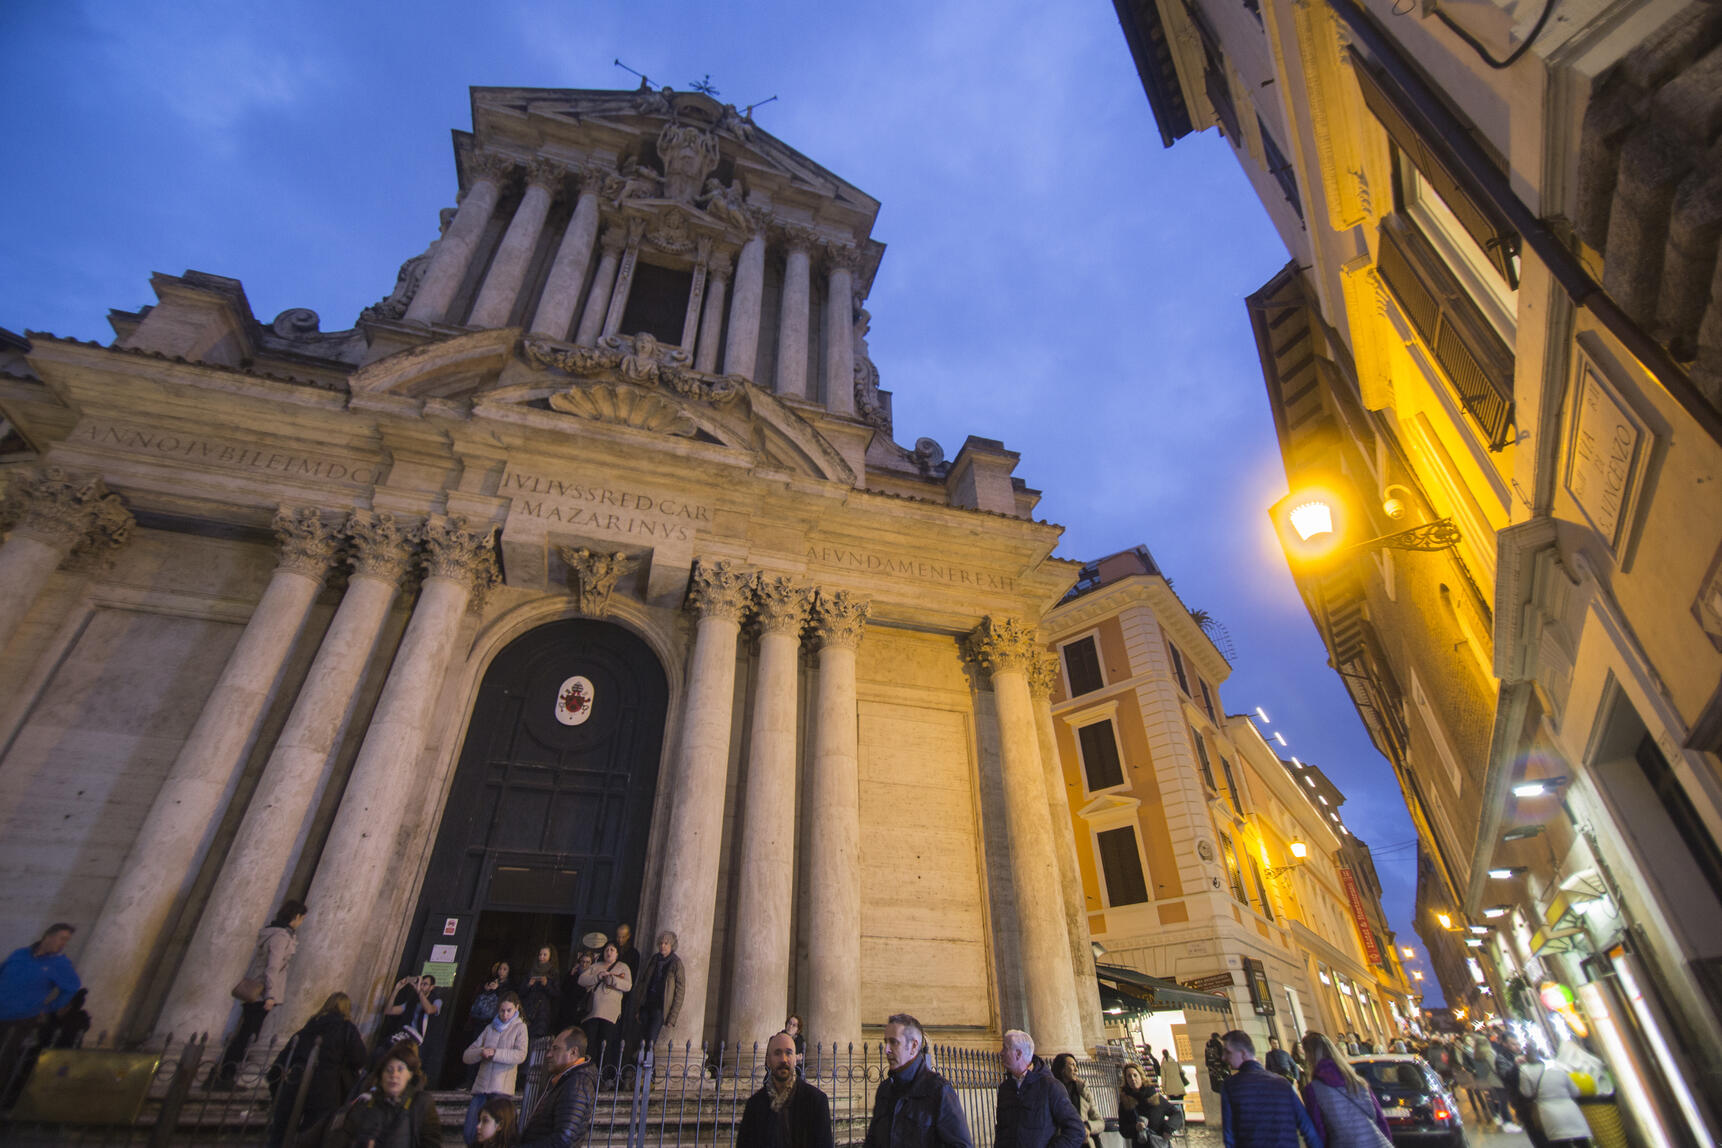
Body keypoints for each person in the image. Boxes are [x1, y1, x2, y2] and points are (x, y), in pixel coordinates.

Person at [217, 900, 306, 1086]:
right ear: (296, 917)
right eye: (301, 918)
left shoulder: (273, 932)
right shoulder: (281, 936)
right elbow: (272, 967)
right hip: (262, 993)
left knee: (246, 1034)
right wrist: (270, 996)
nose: (301, 922)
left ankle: (225, 1072)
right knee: (247, 1036)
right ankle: (225, 1075)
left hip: (259, 991)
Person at [267, 991, 368, 1148]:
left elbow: (280, 1064)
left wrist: (276, 1093)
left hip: (295, 1085)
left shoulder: (308, 1028)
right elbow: (360, 1059)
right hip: (327, 1090)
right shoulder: (347, 1028)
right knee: (313, 1136)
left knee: (281, 1135)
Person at [864, 1012, 972, 1148]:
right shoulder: (885, 1089)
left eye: (894, 1042)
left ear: (914, 1046)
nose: (886, 1050)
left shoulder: (938, 1091)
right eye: (886, 1042)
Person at [321, 1040, 442, 1147]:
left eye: (400, 1069)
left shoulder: (421, 1103)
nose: (394, 1075)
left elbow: (431, 1142)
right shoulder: (364, 1105)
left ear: (410, 1075)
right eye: (389, 1070)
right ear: (381, 1076)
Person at [1217, 1029, 1322, 1148]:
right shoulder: (1282, 1083)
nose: (1223, 1057)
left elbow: (1229, 1136)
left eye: (1228, 1052)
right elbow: (1306, 1127)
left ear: (1243, 1053)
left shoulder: (1231, 1086)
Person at [736, 1030, 834, 1148]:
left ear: (795, 1059)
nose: (783, 1059)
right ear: (768, 1061)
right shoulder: (754, 1105)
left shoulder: (817, 1101)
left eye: (789, 1053)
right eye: (777, 1053)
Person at [994, 1030, 1084, 1148]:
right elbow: (1001, 1132)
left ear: (1018, 1054)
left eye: (1005, 1048)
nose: (1001, 1053)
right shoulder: (1005, 1089)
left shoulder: (1050, 1086)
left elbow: (1076, 1130)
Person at [1298, 1032, 1389, 1148]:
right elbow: (1380, 1121)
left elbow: (1319, 1131)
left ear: (1310, 1056)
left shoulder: (1313, 1090)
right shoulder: (1358, 1081)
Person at [463, 991, 529, 1146]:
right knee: (470, 1131)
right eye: (502, 1010)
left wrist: (495, 1053)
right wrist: (481, 1052)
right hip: (481, 1088)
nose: (505, 1015)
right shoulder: (489, 1028)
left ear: (516, 1008)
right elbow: (466, 1055)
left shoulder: (520, 1028)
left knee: (498, 1134)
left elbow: (521, 1055)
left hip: (501, 1089)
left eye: (509, 1010)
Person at [516, 1027, 598, 1148]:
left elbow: (564, 1140)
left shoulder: (576, 1085)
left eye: (556, 1049)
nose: (548, 1055)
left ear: (573, 1052)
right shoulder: (566, 1080)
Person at [1518, 1047, 1591, 1148]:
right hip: (1570, 1110)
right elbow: (1575, 1091)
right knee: (1582, 1142)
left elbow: (1527, 1093)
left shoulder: (1524, 1070)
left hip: (1549, 1113)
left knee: (1561, 1143)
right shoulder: (1557, 1066)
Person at [576, 942, 631, 1062]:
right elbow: (581, 980)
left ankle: (603, 1076)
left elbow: (628, 986)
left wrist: (612, 979)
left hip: (610, 1014)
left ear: (617, 953)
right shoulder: (596, 966)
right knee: (589, 1044)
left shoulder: (623, 967)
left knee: (605, 1045)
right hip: (592, 1012)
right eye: (606, 950)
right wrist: (598, 976)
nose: (609, 952)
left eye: (612, 950)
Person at [633, 932, 683, 1051]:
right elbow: (643, 982)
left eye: (666, 943)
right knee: (642, 1041)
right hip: (646, 1005)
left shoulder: (676, 963)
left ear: (672, 946)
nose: (663, 946)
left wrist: (672, 1017)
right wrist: (637, 1007)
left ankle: (650, 1069)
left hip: (660, 1008)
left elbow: (680, 992)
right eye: (661, 943)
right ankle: (645, 1067)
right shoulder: (654, 960)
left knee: (651, 1040)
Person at [1050, 1053, 1103, 1148]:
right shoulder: (1052, 1091)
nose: (1076, 1069)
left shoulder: (1082, 1089)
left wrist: (1087, 1127)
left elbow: (1100, 1122)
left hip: (1084, 1144)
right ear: (1062, 1069)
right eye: (1072, 1065)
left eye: (1076, 1065)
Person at [381, 974, 445, 1053]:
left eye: (425, 984)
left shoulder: (437, 1001)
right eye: (420, 983)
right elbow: (388, 1011)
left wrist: (419, 991)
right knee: (383, 1050)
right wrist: (396, 989)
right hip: (406, 1035)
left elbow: (429, 1010)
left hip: (421, 1041)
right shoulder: (412, 1001)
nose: (421, 986)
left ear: (431, 987)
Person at [519, 946, 561, 1042]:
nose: (541, 957)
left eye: (545, 955)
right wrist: (529, 984)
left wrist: (546, 985)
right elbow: (521, 992)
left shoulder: (553, 973)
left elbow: (557, 994)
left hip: (543, 1012)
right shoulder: (531, 971)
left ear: (550, 957)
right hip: (527, 1009)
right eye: (540, 954)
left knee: (537, 1040)